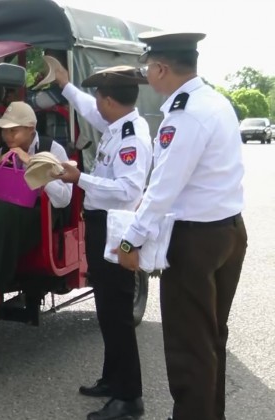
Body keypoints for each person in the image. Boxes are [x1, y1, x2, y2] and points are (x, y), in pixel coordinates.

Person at [115, 32, 247, 420]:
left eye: (147, 68)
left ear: (160, 69)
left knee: (189, 347)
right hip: (229, 232)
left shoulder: (185, 113)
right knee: (210, 339)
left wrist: (129, 242)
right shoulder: (216, 101)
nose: (147, 76)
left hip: (196, 241)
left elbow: (162, 190)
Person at [49, 62, 152, 420]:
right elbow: (89, 109)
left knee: (117, 315)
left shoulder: (131, 137)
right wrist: (65, 85)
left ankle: (129, 398)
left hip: (115, 227)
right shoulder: (117, 123)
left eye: (99, 97)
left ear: (110, 100)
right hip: (101, 224)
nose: (96, 103)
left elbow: (128, 189)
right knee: (107, 311)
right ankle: (113, 379)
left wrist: (81, 179)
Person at [0, 102, 72, 331]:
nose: (7, 136)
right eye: (5, 130)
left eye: (14, 130)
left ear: (31, 128)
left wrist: (35, 165)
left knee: (0, 214)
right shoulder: (3, 151)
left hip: (39, 216)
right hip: (6, 215)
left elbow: (64, 199)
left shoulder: (53, 149)